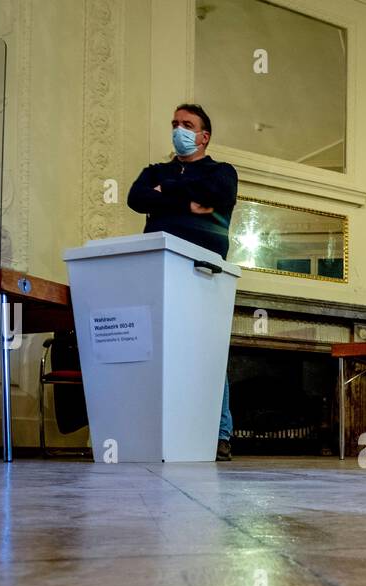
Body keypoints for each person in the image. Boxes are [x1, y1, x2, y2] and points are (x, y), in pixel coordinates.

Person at [127, 103, 239, 461]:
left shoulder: (222, 172)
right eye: (175, 123)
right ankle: (162, 430)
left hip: (202, 269)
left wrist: (165, 195)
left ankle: (219, 434)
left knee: (208, 351)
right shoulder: (153, 170)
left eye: (187, 124)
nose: (179, 129)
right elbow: (135, 198)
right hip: (157, 266)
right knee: (158, 348)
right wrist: (186, 199)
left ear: (204, 136)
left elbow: (217, 196)